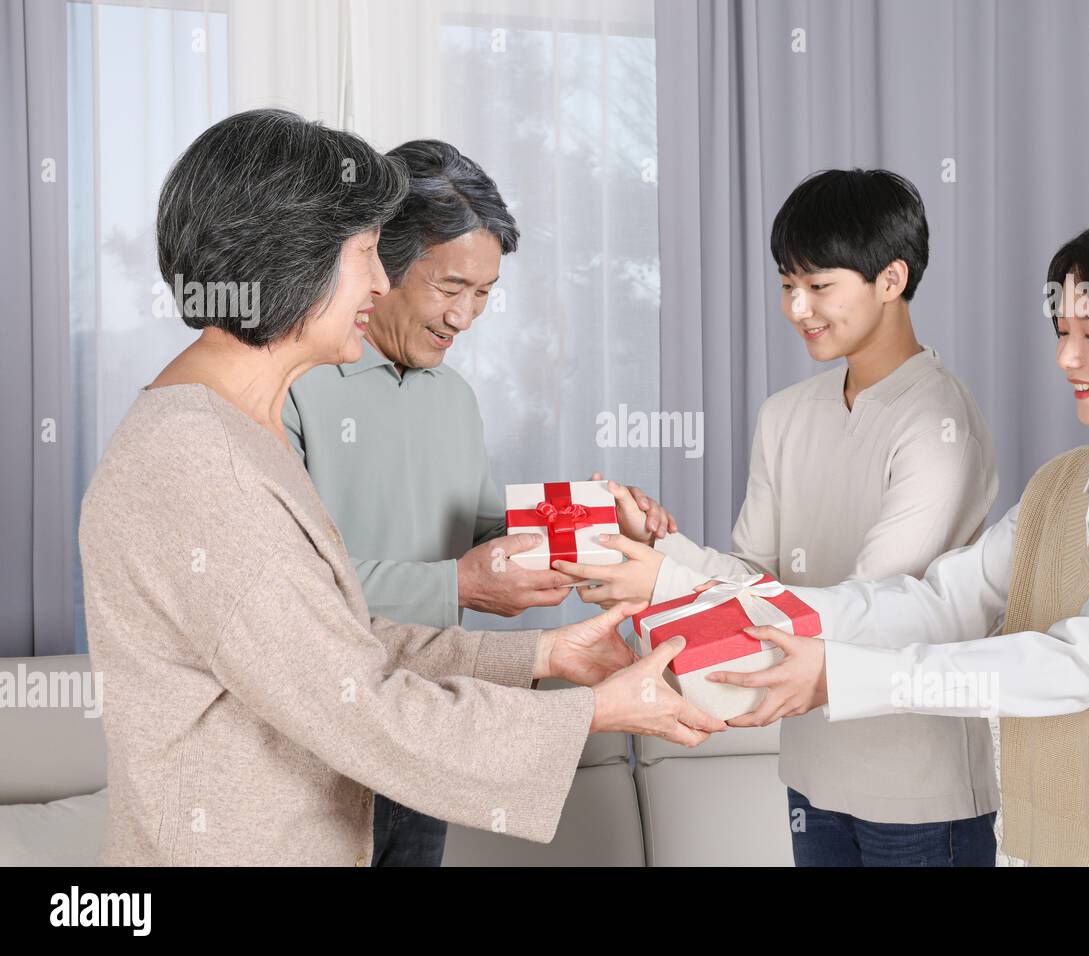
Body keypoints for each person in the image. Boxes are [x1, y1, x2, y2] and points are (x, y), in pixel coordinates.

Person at [78, 108, 724, 866]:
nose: (379, 282)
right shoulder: (201, 464)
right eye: (363, 255)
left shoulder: (230, 436)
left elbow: (338, 633)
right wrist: (592, 712)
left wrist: (546, 654)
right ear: (297, 260)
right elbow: (362, 707)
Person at [705, 216, 1089, 866]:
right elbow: (941, 601)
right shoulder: (1060, 486)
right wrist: (749, 609)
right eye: (1063, 331)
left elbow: (1075, 664)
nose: (1067, 357)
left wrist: (842, 675)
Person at [559, 169, 1003, 866]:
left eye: (819, 286)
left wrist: (666, 580)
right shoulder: (786, 414)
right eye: (786, 283)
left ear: (891, 279)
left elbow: (871, 610)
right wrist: (660, 545)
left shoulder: (940, 424)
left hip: (920, 787)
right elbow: (756, 576)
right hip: (811, 772)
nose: (797, 307)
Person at [282, 139, 658, 866]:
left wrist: (596, 522)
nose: (466, 316)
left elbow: (481, 531)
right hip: (317, 739)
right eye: (451, 286)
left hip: (431, 724)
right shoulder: (294, 385)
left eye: (484, 294)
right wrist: (457, 584)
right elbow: (292, 589)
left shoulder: (454, 397)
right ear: (377, 263)